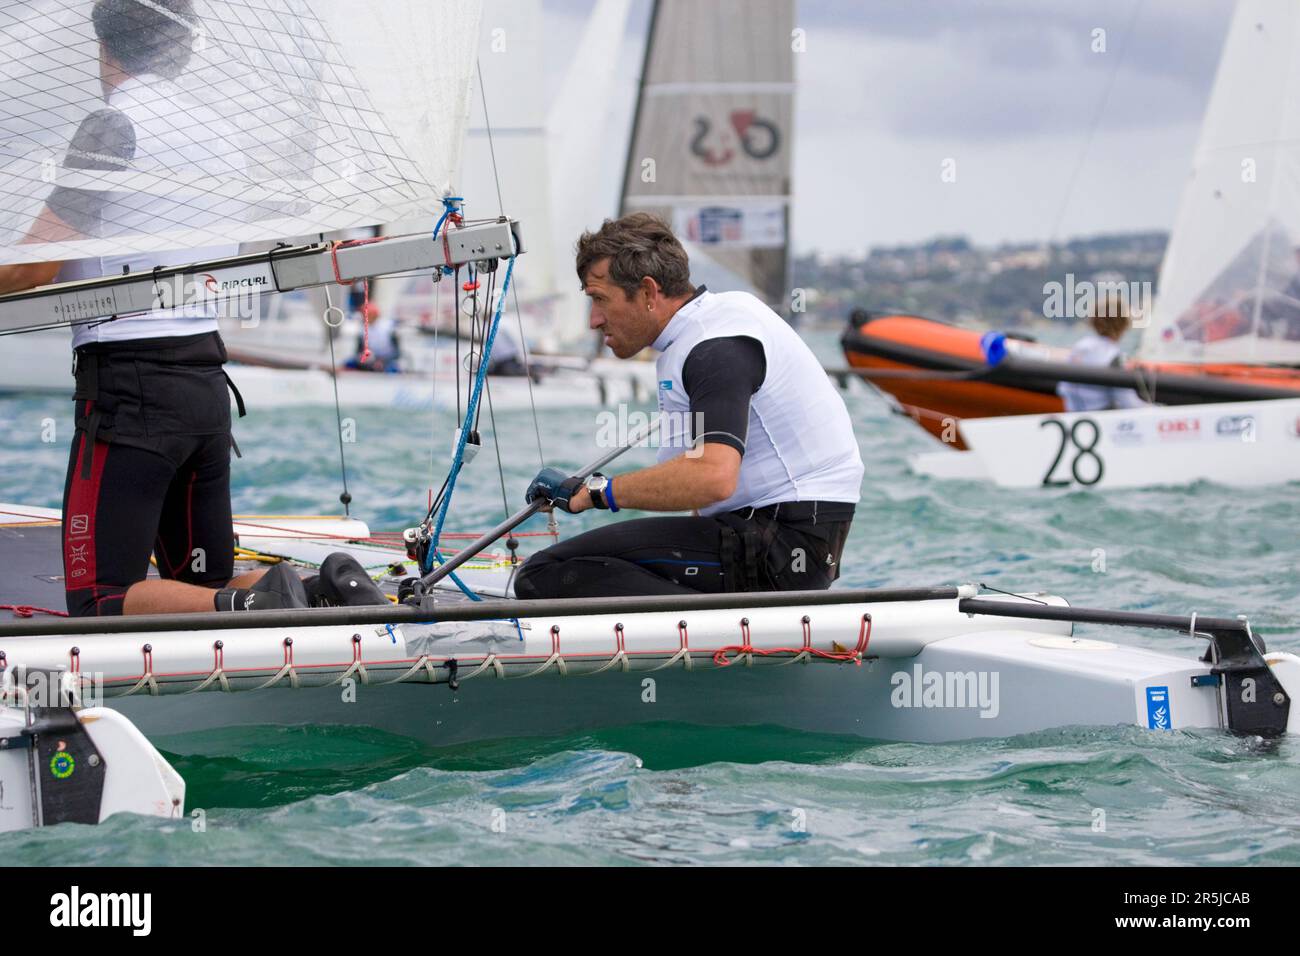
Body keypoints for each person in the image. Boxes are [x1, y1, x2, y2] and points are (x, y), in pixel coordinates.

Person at [0, 0, 384, 615]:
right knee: (200, 584)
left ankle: (255, 610)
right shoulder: (224, 138)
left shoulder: (112, 124)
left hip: (130, 391)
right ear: (180, 50)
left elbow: (37, 265)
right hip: (205, 387)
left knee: (99, 598)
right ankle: (323, 586)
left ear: (102, 45)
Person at [513, 213, 864, 599]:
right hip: (775, 539)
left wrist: (595, 493)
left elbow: (713, 477)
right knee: (582, 567)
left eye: (599, 299)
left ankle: (727, 637)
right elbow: (701, 497)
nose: (594, 320)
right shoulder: (696, 333)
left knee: (544, 574)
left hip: (783, 547)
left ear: (648, 293)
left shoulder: (716, 346)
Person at [1057, 295, 1148, 413]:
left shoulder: (1078, 348)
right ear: (1123, 324)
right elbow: (1127, 402)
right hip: (1101, 418)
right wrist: (1158, 410)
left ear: (1093, 321)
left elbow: (1063, 389)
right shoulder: (1114, 356)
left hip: (1073, 414)